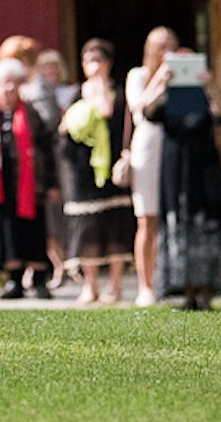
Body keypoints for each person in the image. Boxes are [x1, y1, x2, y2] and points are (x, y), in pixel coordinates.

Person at [148, 46, 221, 310]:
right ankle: (185, 291)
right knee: (179, 221)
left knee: (207, 221)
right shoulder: (167, 97)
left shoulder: (204, 95)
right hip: (175, 167)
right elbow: (147, 111)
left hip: (203, 165)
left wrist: (211, 85)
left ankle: (207, 291)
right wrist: (161, 81)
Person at [58, 39, 134, 305]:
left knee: (115, 223)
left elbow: (111, 114)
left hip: (110, 165)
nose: (93, 66)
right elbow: (64, 128)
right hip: (82, 167)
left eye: (98, 60)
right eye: (88, 60)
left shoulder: (120, 93)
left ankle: (115, 285)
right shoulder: (76, 94)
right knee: (86, 226)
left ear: (108, 63)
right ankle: (90, 285)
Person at [0, 57, 57, 300]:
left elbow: (46, 147)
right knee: (6, 232)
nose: (10, 88)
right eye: (5, 83)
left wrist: (52, 183)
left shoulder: (30, 112)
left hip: (30, 184)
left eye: (13, 83)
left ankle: (40, 280)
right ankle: (14, 282)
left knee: (33, 231)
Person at [123, 27, 178, 307]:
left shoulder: (179, 77)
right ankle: (145, 286)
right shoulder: (138, 75)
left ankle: (169, 280)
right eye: (160, 45)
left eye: (170, 45)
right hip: (146, 146)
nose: (165, 50)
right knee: (147, 218)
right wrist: (160, 79)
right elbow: (139, 107)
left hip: (173, 145)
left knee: (171, 217)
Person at [20, 46, 76, 286]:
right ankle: (54, 265)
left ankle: (65, 265)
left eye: (54, 66)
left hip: (58, 158)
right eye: (45, 67)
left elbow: (50, 124)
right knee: (50, 215)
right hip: (42, 159)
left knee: (59, 213)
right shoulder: (31, 90)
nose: (50, 71)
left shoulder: (65, 92)